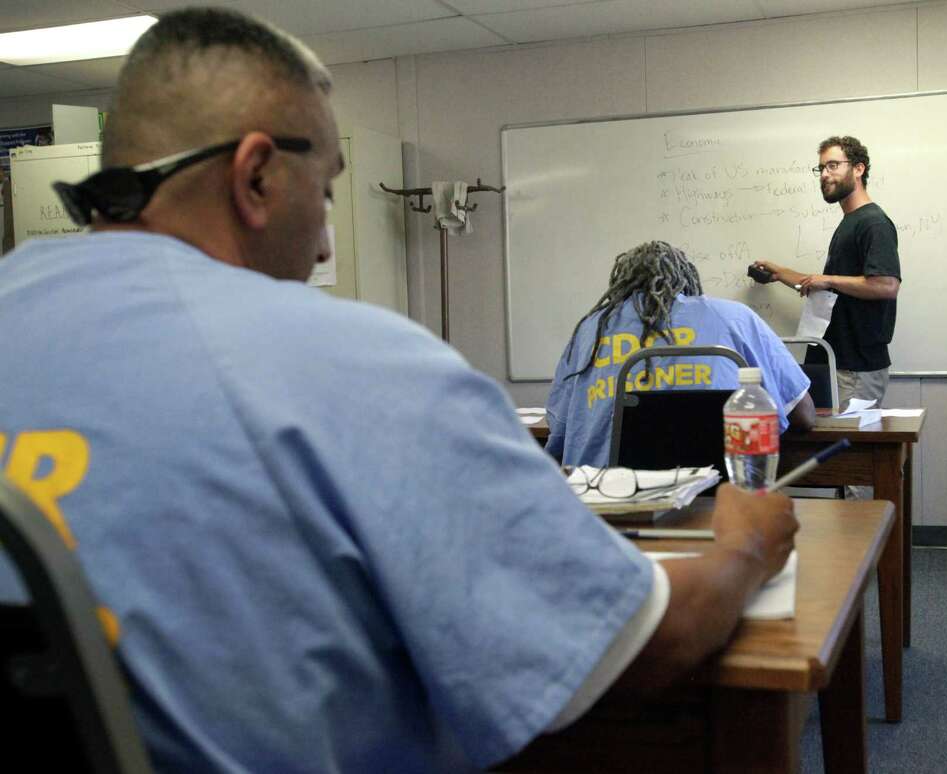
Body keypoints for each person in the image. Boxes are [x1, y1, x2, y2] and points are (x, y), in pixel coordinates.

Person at [0, 9, 799, 773]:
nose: (321, 242)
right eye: (324, 192)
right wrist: (747, 545)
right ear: (255, 177)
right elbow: (638, 645)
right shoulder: (357, 367)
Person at [546, 240, 816, 466]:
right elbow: (804, 415)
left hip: (604, 503)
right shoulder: (733, 317)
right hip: (713, 501)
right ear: (685, 277)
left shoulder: (590, 329)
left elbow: (559, 431)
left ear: (621, 282)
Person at [751, 135, 901, 413]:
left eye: (833, 165)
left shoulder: (873, 222)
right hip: (837, 363)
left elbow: (886, 285)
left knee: (851, 452)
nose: (824, 174)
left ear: (859, 169)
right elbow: (830, 288)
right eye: (821, 168)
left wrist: (829, 279)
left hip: (857, 369)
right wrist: (778, 273)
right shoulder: (850, 223)